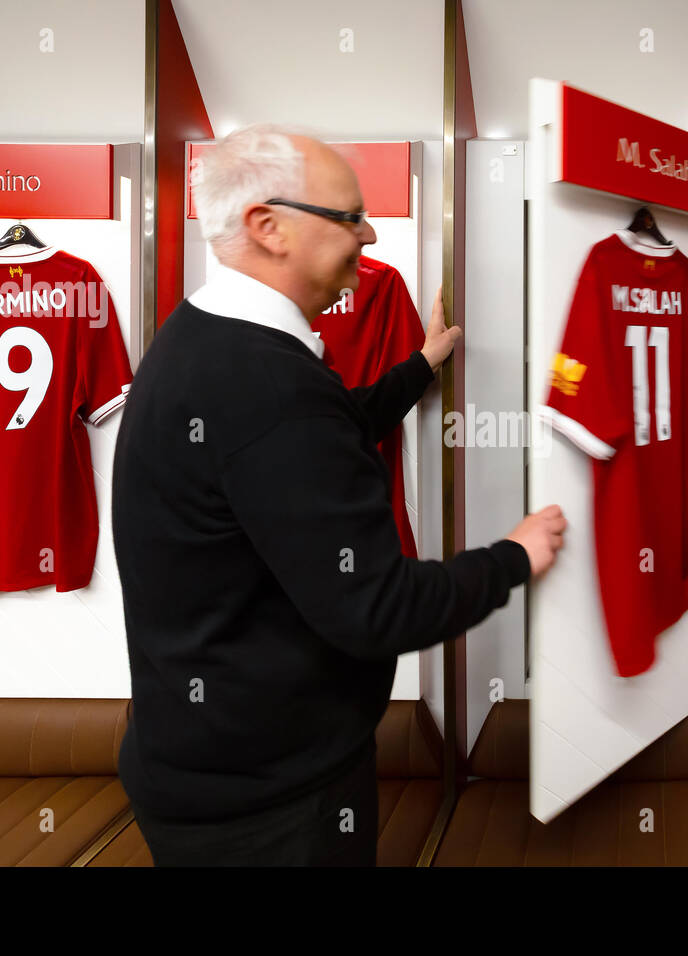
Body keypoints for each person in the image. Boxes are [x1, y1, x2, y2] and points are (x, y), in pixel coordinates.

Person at [110, 123, 565, 866]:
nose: (372, 233)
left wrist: (421, 364)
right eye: (350, 216)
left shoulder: (203, 341)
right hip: (269, 807)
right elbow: (379, 608)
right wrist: (513, 557)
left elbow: (316, 443)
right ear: (269, 227)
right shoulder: (268, 386)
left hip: (212, 772)